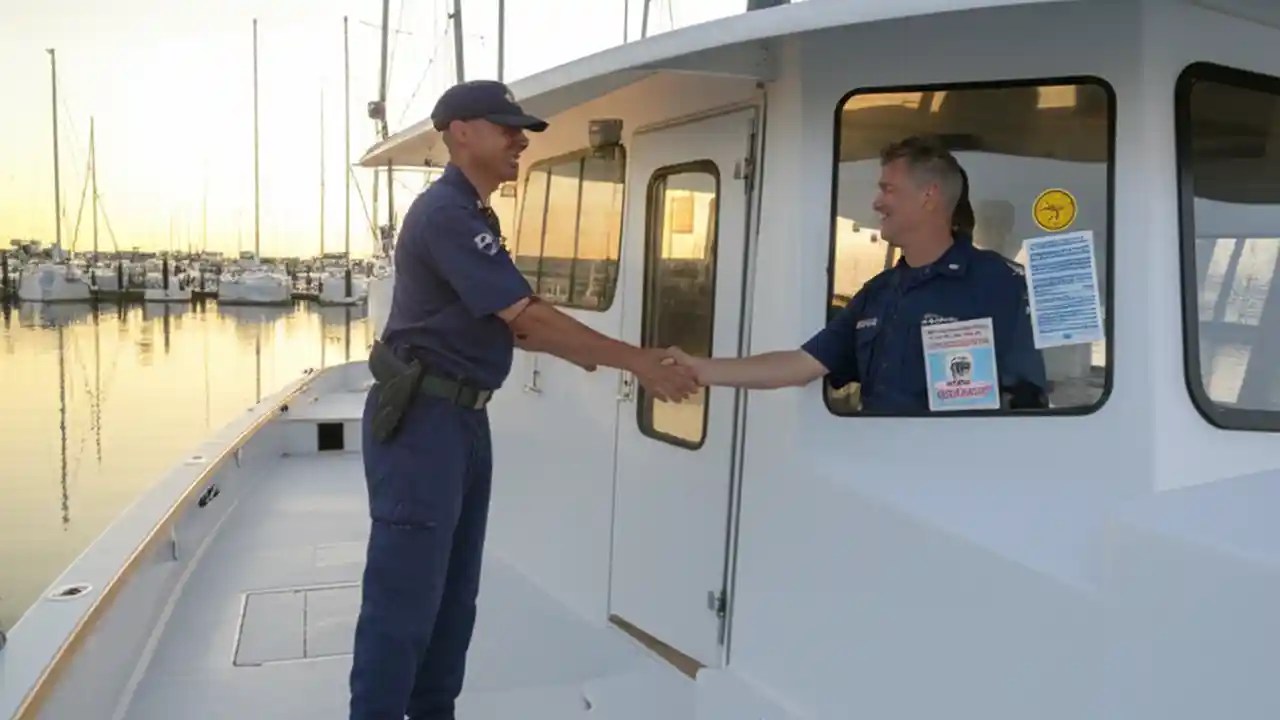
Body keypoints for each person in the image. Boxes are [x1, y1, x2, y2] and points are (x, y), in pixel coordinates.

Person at [349, 80, 698, 720]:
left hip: (461, 420)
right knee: (403, 603)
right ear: (460, 132)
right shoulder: (446, 214)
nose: (520, 139)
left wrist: (595, 354)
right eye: (505, 126)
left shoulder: (474, 215)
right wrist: (637, 363)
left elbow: (513, 324)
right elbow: (527, 320)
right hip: (425, 422)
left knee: (454, 601)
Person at [668, 135, 1047, 411]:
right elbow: (800, 365)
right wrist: (700, 369)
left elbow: (1030, 400)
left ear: (928, 196)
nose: (876, 202)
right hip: (873, 475)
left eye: (888, 189)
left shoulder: (999, 284)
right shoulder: (879, 293)